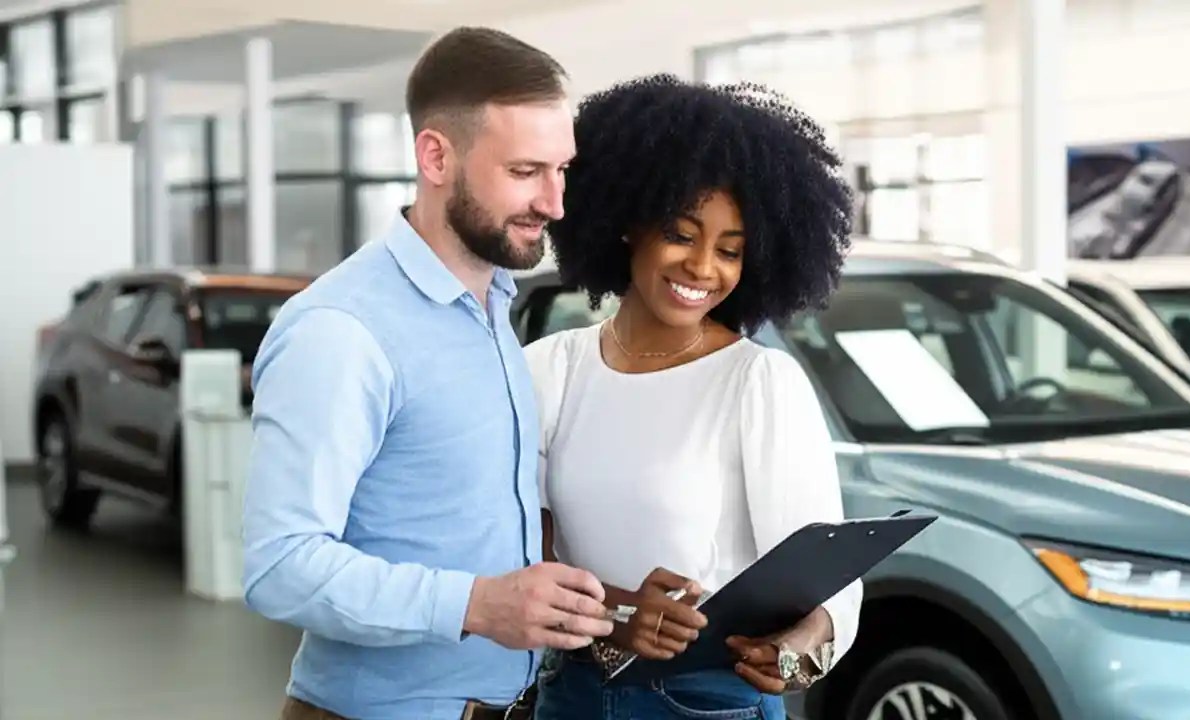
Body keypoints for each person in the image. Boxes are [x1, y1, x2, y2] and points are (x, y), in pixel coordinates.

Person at [240, 27, 614, 720]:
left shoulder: (493, 305)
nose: (555, 202)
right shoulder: (342, 331)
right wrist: (478, 605)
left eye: (562, 170)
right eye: (526, 171)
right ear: (436, 156)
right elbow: (278, 566)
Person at [524, 74, 864, 719]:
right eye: (681, 235)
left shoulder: (757, 385)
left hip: (707, 701)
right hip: (570, 694)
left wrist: (798, 650)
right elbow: (518, 548)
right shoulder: (549, 368)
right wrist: (618, 612)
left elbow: (823, 585)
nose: (703, 269)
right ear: (628, 224)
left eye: (730, 251)